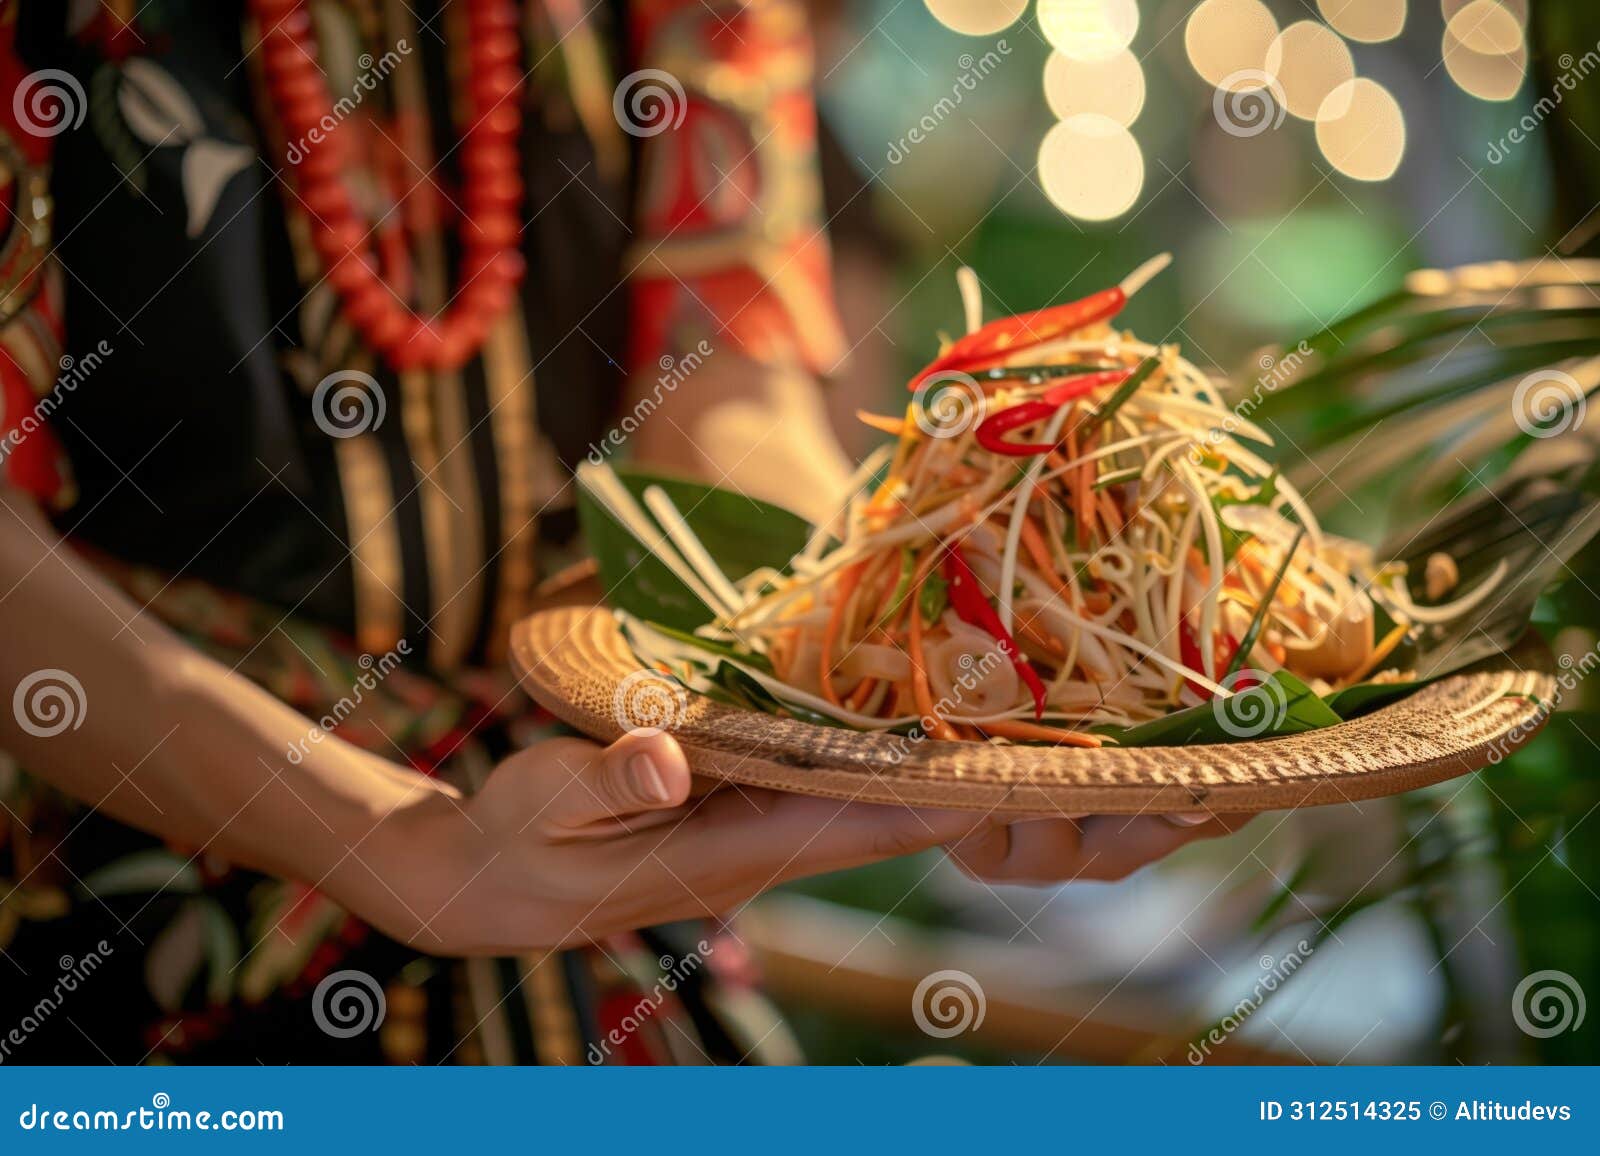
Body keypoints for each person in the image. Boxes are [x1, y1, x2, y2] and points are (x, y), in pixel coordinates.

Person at [0, 0, 1240, 1064]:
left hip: (601, 879)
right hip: (120, 929)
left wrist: (942, 668)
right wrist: (401, 843)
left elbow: (726, 391)